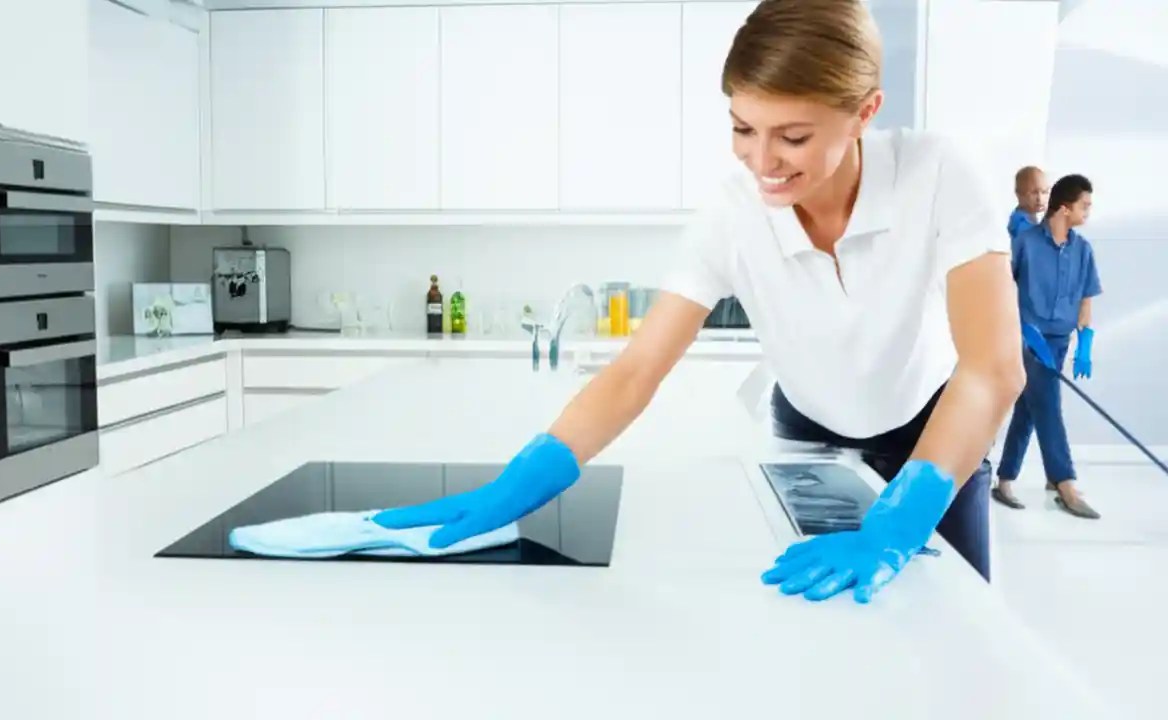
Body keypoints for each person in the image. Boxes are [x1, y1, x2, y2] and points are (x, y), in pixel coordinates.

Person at [373, 0, 1025, 604]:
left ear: (865, 112)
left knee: (952, 618)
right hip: (809, 434)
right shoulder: (732, 212)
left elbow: (992, 369)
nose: (761, 160)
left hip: (937, 432)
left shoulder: (939, 173)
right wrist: (524, 479)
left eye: (792, 137)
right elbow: (635, 372)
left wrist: (904, 519)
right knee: (829, 622)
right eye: (743, 127)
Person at [992, 174, 1102, 519]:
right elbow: (1000, 289)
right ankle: (1064, 481)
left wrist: (1084, 343)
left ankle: (1005, 478)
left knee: (1030, 408)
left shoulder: (1083, 249)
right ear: (1065, 207)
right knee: (1049, 405)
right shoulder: (1025, 242)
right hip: (1026, 339)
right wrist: (1022, 329)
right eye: (1085, 205)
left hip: (1058, 342)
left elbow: (1086, 298)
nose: (1089, 211)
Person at [1009, 166, 1048, 238]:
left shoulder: (1031, 215)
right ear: (1019, 195)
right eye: (1033, 193)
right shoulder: (1019, 220)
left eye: (1044, 192)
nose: (1040, 198)